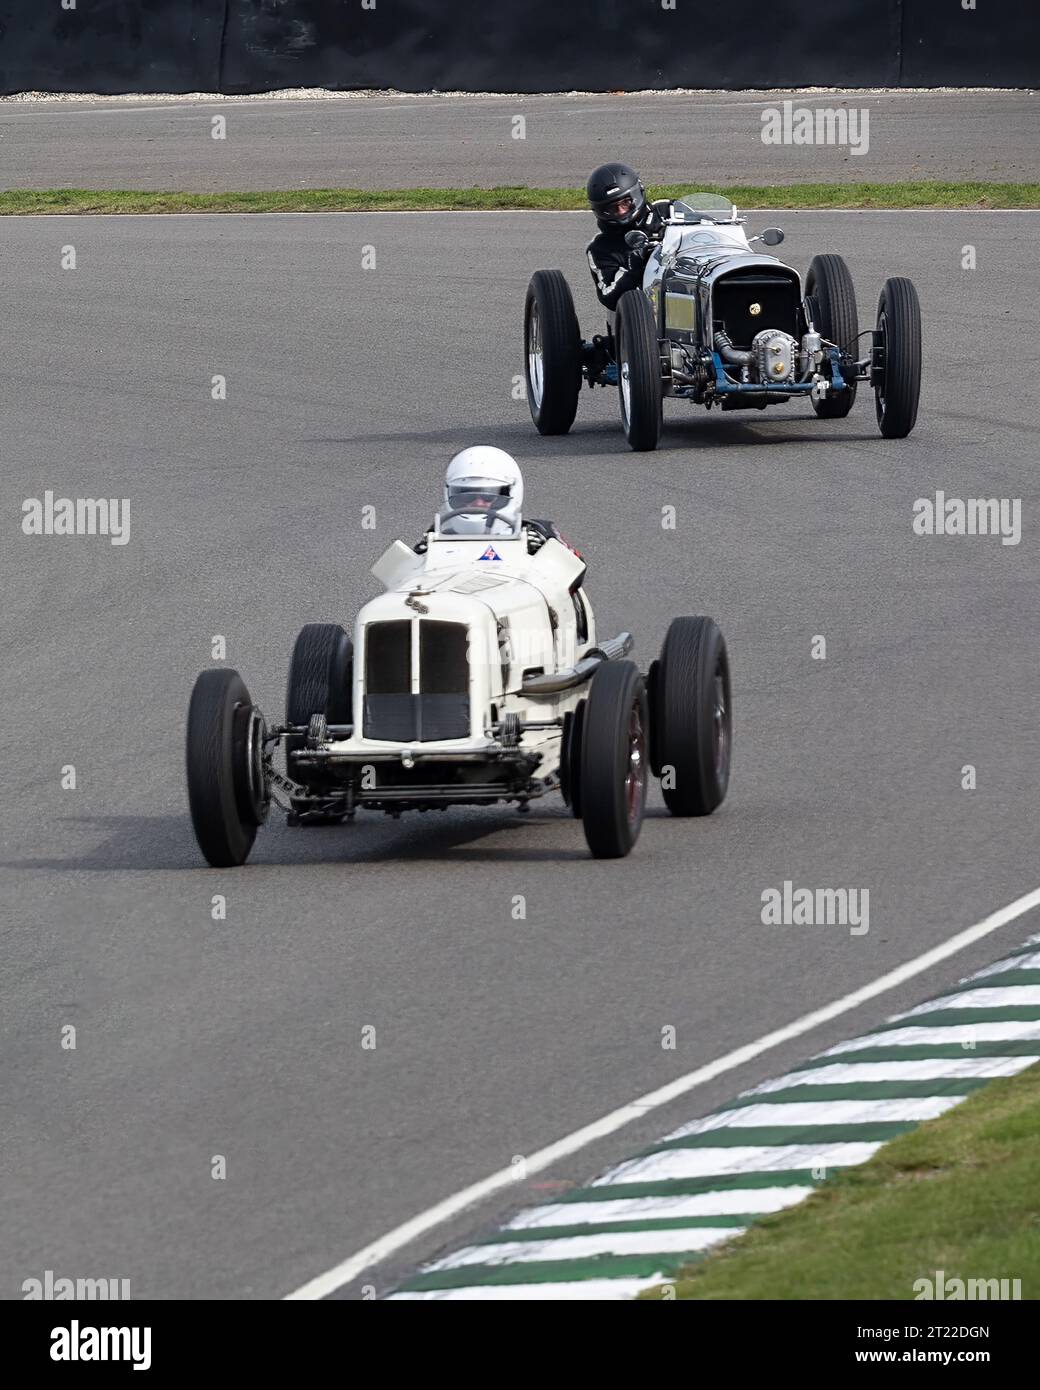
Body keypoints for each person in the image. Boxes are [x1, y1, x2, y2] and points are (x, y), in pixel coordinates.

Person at [414, 447, 583, 568]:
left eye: (488, 497)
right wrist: (422, 556)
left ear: (511, 492)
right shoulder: (436, 536)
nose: (477, 504)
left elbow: (576, 567)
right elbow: (403, 577)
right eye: (467, 497)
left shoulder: (538, 532)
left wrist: (544, 551)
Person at [585, 162, 673, 313]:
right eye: (612, 208)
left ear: (637, 194)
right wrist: (634, 266)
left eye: (626, 202)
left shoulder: (668, 211)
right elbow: (609, 296)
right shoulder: (600, 248)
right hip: (647, 315)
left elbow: (706, 228)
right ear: (600, 211)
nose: (620, 212)